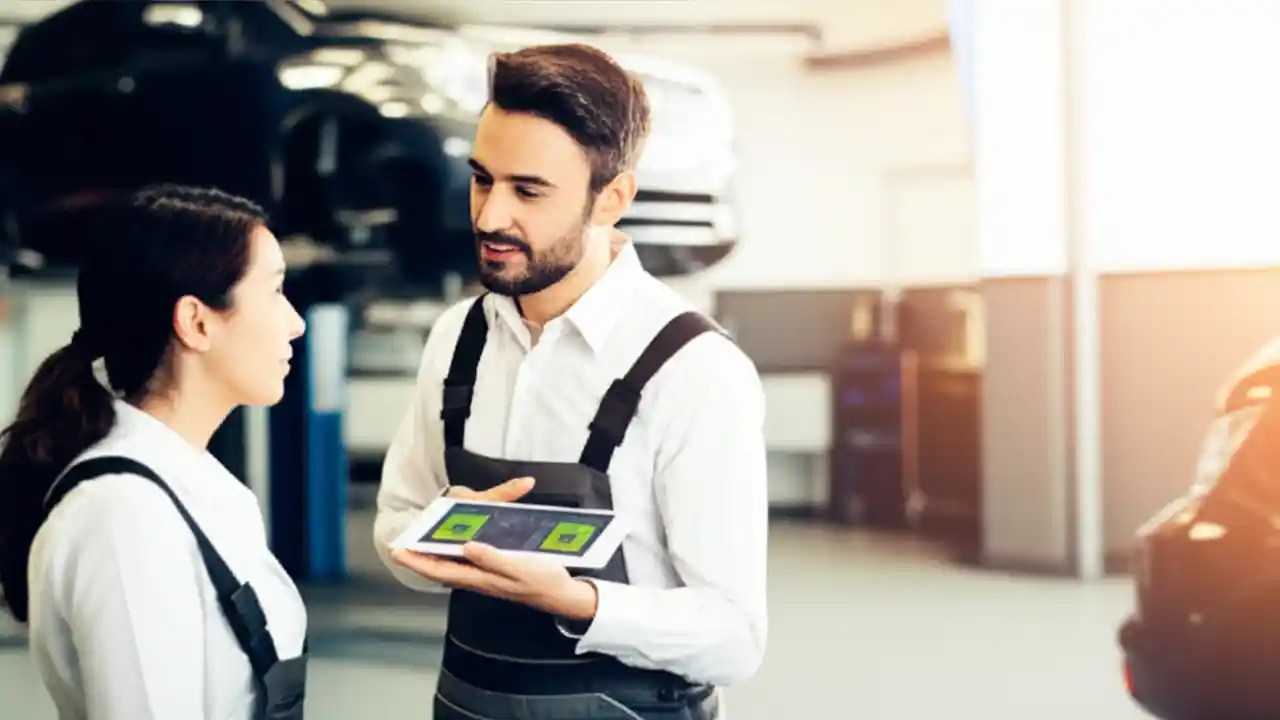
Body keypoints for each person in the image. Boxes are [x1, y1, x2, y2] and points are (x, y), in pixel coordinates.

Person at [373, 43, 768, 719]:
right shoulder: (456, 339)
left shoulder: (693, 369)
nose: (491, 217)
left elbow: (733, 638)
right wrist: (444, 540)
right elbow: (396, 524)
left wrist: (577, 602)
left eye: (527, 191)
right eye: (481, 179)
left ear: (610, 199)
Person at [0, 185, 310, 719]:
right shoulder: (123, 517)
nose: (295, 323)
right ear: (196, 321)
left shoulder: (192, 480)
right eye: (275, 292)